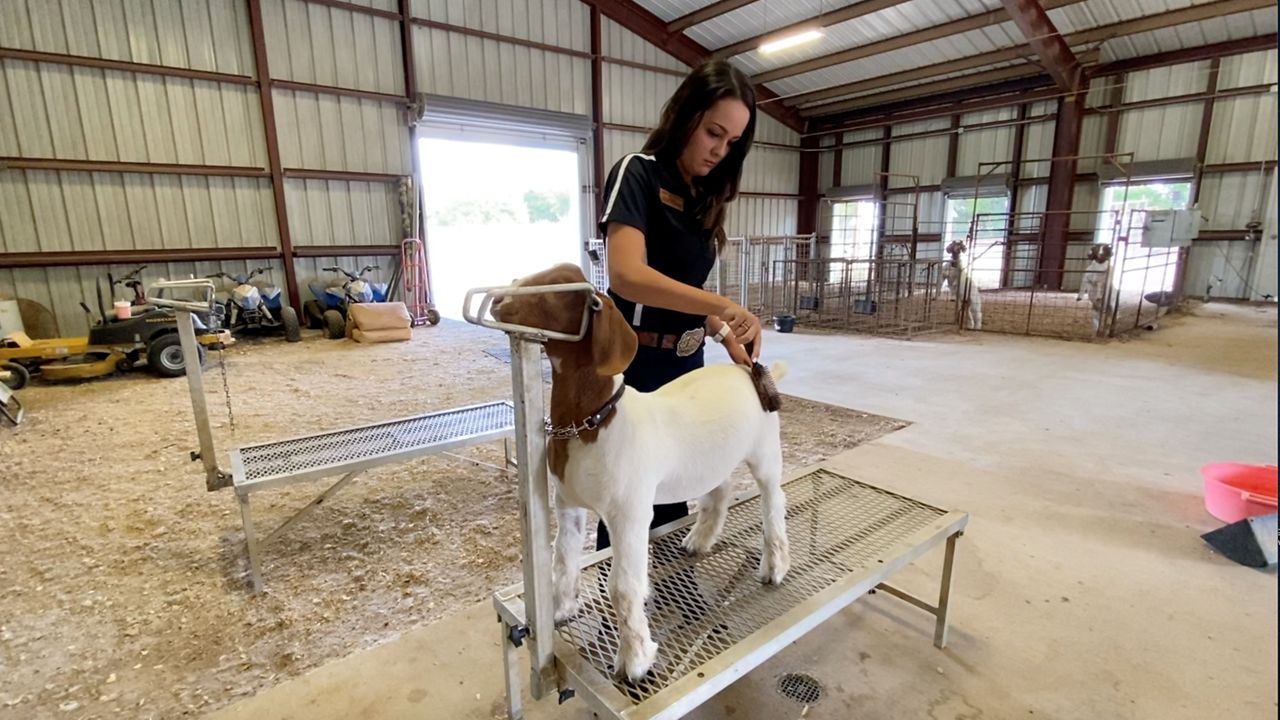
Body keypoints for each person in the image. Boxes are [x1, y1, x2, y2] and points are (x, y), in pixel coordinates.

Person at [595, 58, 764, 552]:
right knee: (628, 495)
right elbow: (627, 276)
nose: (719, 150)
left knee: (674, 488)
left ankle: (669, 590)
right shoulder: (637, 174)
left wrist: (725, 332)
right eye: (714, 132)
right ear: (685, 115)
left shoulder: (702, 195)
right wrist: (725, 304)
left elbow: (683, 291)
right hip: (634, 361)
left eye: (732, 143)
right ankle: (623, 605)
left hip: (687, 361)